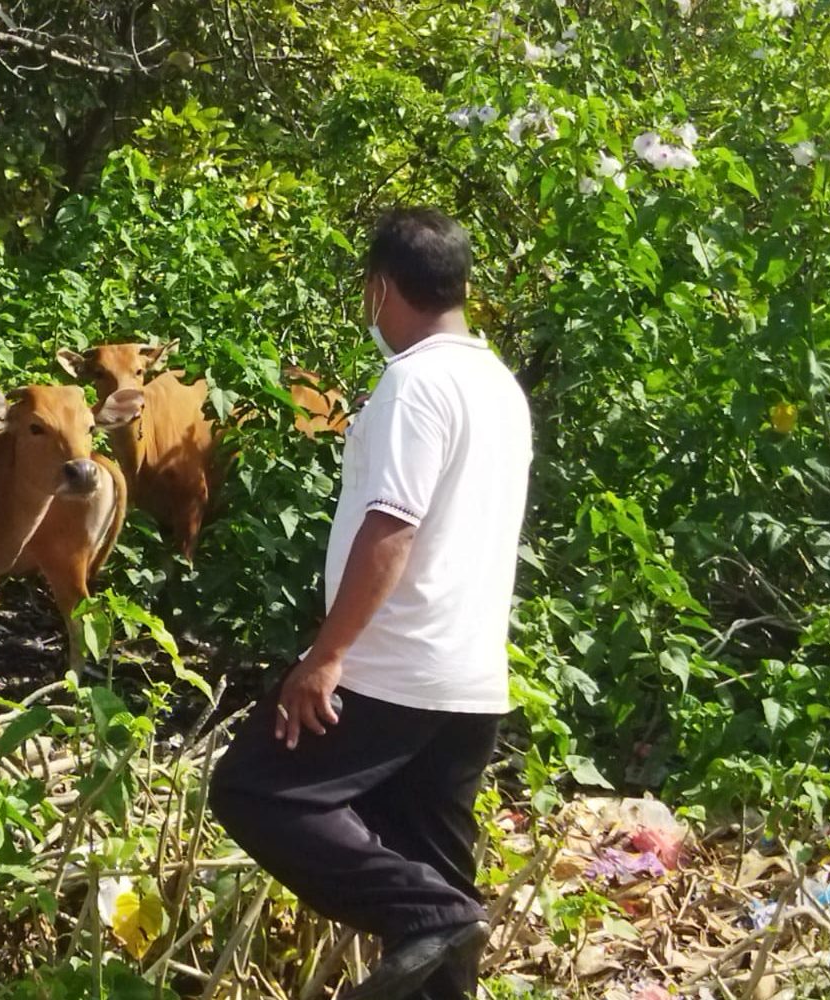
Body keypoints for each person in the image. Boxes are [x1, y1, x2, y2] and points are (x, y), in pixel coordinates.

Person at [209, 207, 533, 1000]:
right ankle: (437, 920)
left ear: (381, 288)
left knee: (254, 789)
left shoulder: (414, 384)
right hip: (470, 680)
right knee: (435, 878)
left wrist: (326, 656)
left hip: (393, 669)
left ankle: (428, 914)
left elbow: (393, 525)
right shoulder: (498, 387)